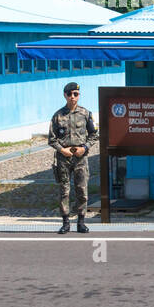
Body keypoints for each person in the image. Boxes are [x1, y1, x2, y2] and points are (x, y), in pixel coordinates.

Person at [48, 82, 98, 234]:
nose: (72, 97)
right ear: (65, 95)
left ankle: (81, 222)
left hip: (80, 157)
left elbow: (94, 135)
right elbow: (52, 139)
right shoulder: (58, 116)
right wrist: (62, 150)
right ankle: (65, 223)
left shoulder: (86, 114)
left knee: (82, 190)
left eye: (75, 94)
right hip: (64, 158)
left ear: (79, 95)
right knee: (64, 190)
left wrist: (85, 148)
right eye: (69, 94)